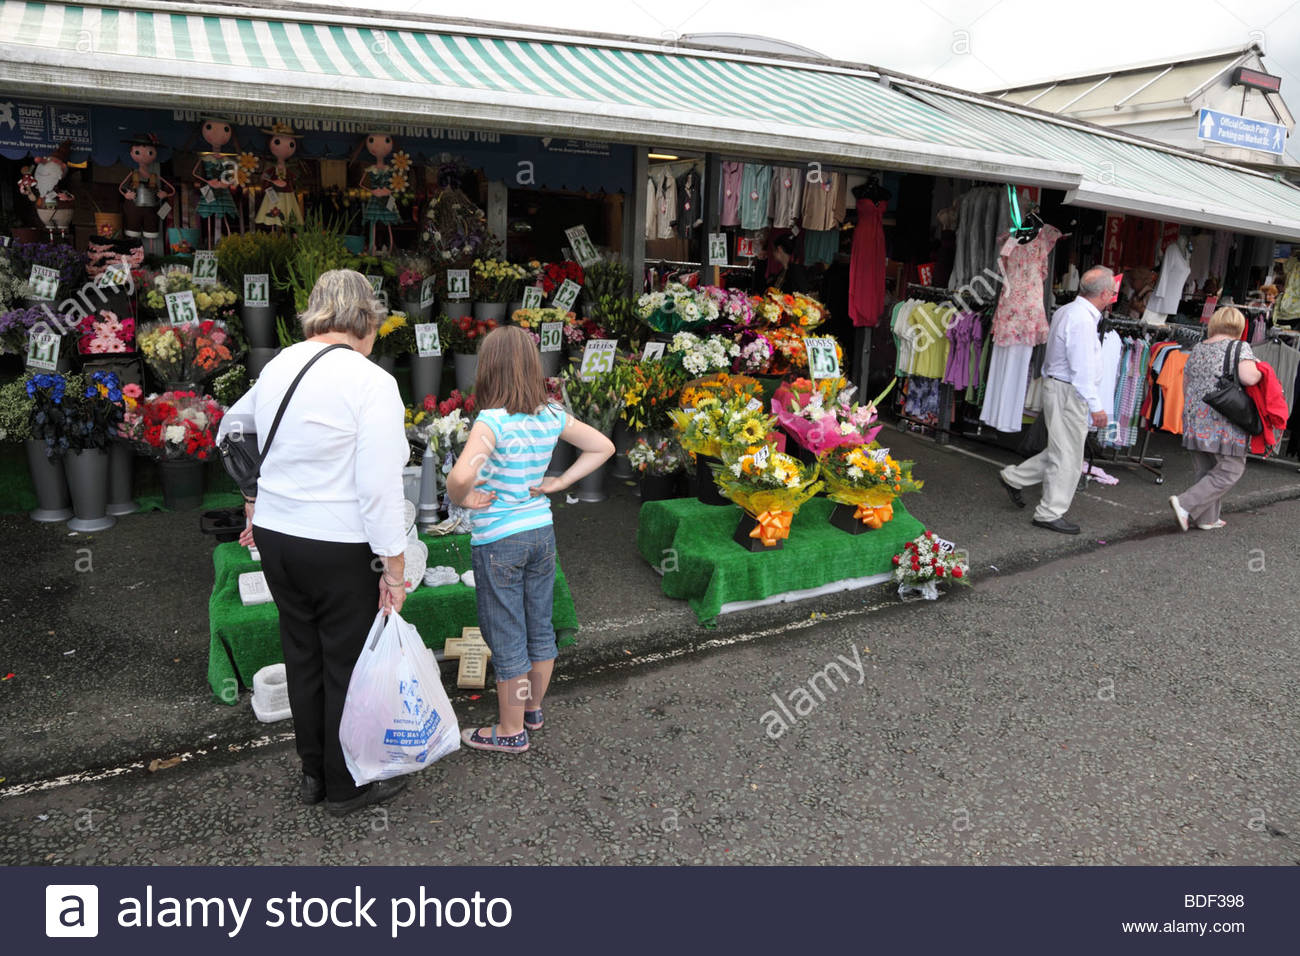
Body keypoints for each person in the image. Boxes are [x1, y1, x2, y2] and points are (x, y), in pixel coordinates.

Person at [217, 269, 410, 816]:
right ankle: (346, 785)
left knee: (302, 654)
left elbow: (231, 428)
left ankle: (312, 775)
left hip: (279, 537)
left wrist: (254, 495)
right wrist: (394, 571)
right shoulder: (372, 382)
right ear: (366, 319)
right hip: (339, 544)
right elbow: (378, 488)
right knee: (344, 663)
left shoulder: (279, 364)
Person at [446, 326, 613, 754]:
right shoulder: (551, 413)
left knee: (506, 635)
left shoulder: (492, 422)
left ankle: (510, 730)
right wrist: (559, 483)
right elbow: (603, 447)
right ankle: (532, 709)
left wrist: (465, 497)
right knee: (539, 626)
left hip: (499, 539)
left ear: (490, 368)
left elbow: (459, 477)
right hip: (540, 532)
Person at [997, 266, 1116, 534]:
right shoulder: (1083, 320)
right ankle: (1049, 512)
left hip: (1060, 387)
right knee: (1068, 457)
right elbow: (1082, 368)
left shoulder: (1067, 311)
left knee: (1062, 449)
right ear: (1106, 294)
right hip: (1068, 391)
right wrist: (1096, 407)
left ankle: (1014, 478)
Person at [1168, 306, 1261, 531]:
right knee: (1231, 469)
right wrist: (1260, 371)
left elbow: (1187, 381)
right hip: (1224, 418)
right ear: (1239, 326)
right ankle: (1185, 503)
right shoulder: (1240, 346)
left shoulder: (1199, 347)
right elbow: (1249, 378)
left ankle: (1207, 519)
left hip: (1194, 415)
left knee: (1207, 468)